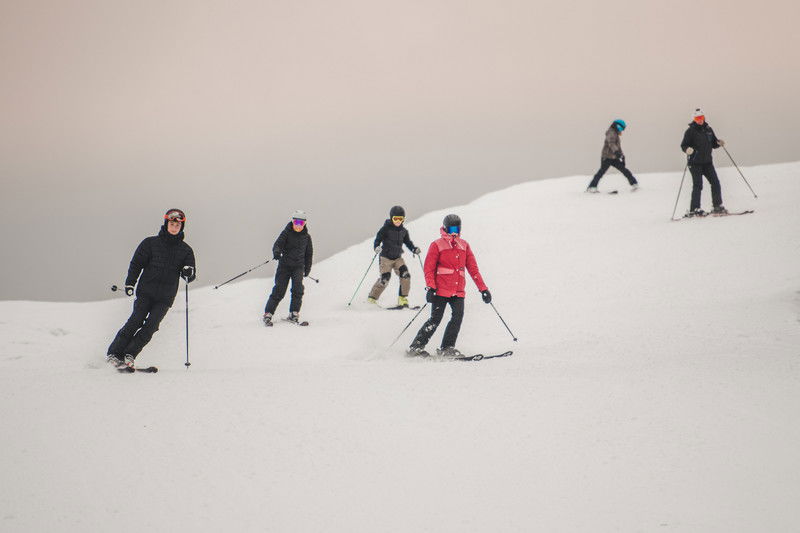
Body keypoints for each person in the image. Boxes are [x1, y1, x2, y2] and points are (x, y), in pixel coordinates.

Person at [107, 208, 196, 369]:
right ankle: (114, 353)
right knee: (136, 320)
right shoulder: (150, 243)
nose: (174, 227)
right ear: (166, 224)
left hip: (165, 297)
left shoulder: (186, 251)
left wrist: (188, 272)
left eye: (177, 224)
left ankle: (130, 354)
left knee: (151, 326)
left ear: (181, 227)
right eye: (171, 223)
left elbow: (190, 274)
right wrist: (130, 283)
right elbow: (136, 264)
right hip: (146, 292)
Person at [407, 214, 491, 357]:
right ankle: (416, 347)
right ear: (445, 228)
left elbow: (473, 269)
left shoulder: (464, 245)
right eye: (451, 228)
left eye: (457, 229)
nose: (454, 232)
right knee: (435, 319)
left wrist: (483, 289)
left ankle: (447, 347)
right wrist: (431, 287)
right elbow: (429, 268)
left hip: (458, 291)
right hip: (440, 290)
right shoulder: (437, 245)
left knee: (457, 317)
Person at [263, 210, 313, 326]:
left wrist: (307, 269)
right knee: (279, 290)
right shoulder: (286, 233)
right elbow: (277, 244)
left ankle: (293, 313)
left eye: (301, 223)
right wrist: (276, 252)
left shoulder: (307, 237)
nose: (298, 226)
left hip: (298, 267)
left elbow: (308, 254)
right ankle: (268, 313)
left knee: (298, 289)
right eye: (296, 222)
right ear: (292, 222)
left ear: (304, 223)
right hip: (284, 266)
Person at [367, 205, 421, 308]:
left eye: (400, 219)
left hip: (397, 258)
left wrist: (414, 249)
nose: (398, 221)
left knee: (405, 275)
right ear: (391, 218)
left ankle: (402, 299)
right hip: (385, 258)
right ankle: (372, 298)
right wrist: (376, 247)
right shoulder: (385, 229)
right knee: (385, 278)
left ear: (403, 219)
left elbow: (408, 242)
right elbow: (378, 239)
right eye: (395, 219)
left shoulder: (403, 231)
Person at [681, 108, 727, 216]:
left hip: (707, 162)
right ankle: (694, 209)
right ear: (694, 119)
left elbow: (713, 143)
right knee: (698, 185)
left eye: (701, 118)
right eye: (697, 118)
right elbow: (683, 145)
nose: (700, 120)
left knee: (715, 182)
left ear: (704, 118)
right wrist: (687, 150)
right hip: (694, 163)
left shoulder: (708, 129)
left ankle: (717, 206)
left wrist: (719, 143)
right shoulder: (690, 131)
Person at [586, 119, 639, 192]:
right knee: (601, 172)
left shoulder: (615, 133)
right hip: (607, 157)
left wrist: (622, 155)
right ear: (617, 126)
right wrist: (617, 152)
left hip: (614, 157)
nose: (621, 131)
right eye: (621, 128)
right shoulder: (611, 132)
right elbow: (611, 143)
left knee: (624, 170)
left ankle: (634, 184)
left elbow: (618, 146)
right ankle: (592, 187)